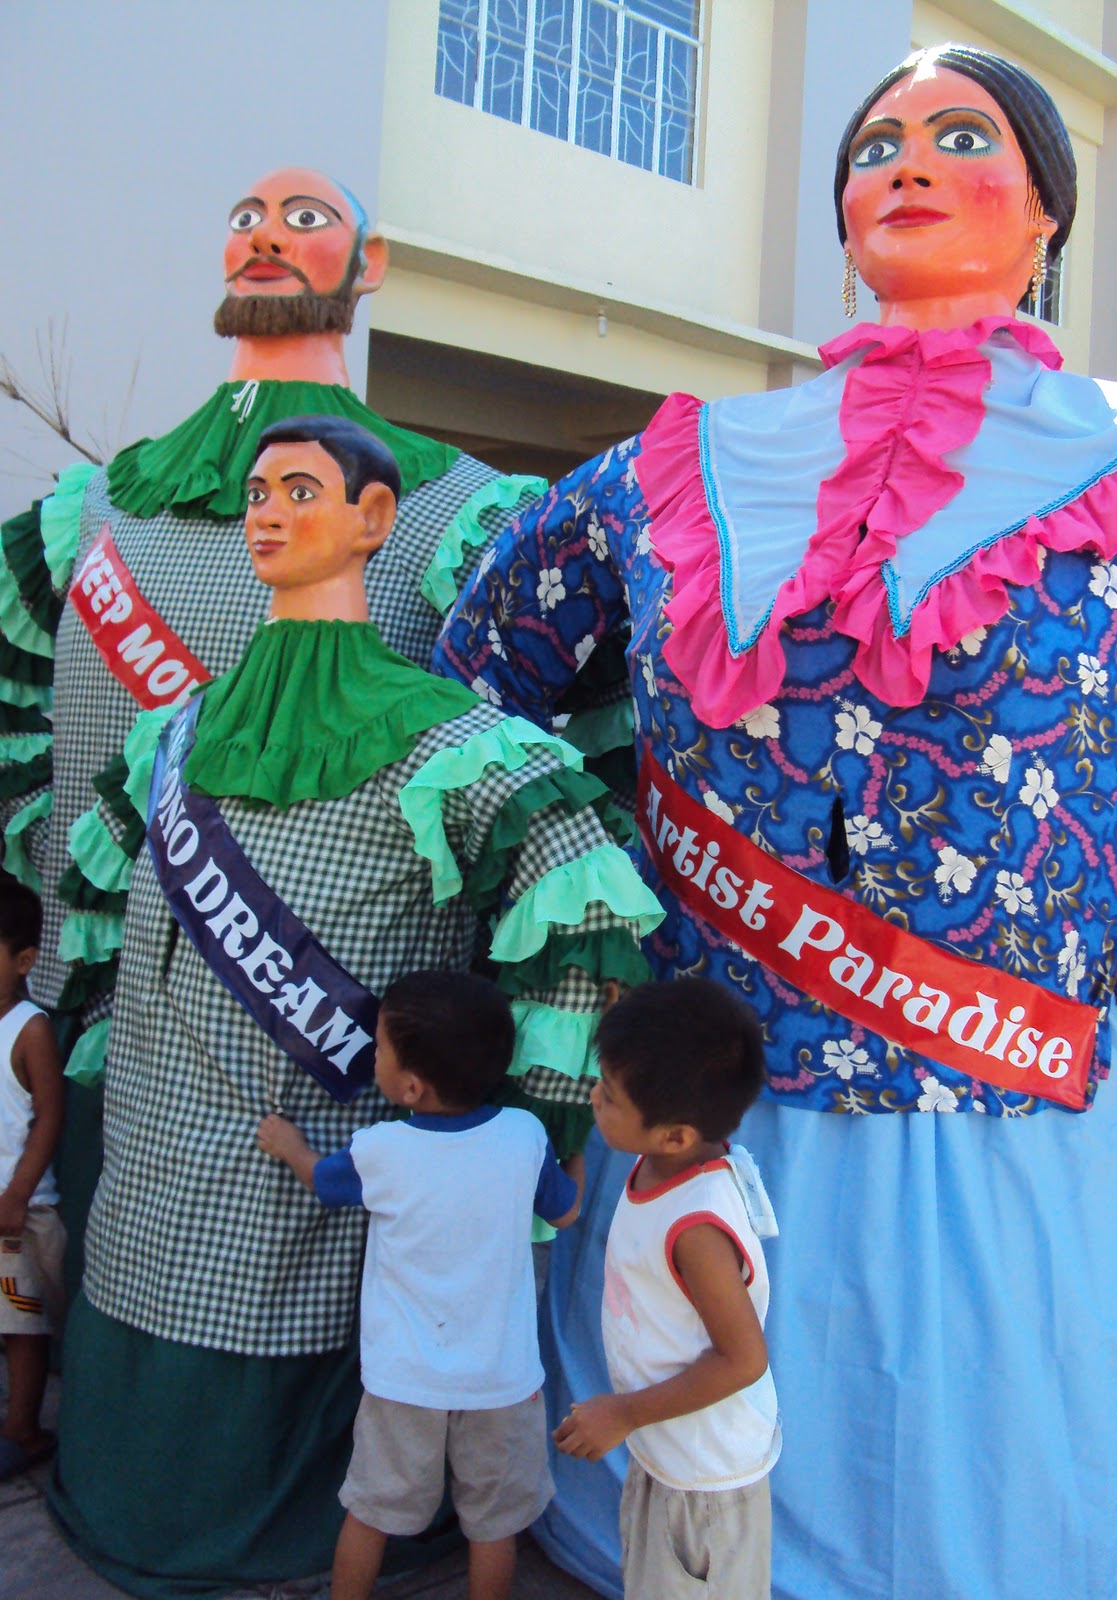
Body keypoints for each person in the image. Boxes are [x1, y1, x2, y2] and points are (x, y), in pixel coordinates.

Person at [435, 43, 1117, 1600]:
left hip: (1007, 1127)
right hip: (709, 1118)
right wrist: (572, 917)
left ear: (1048, 208)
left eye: (963, 137)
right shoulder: (671, 466)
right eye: (876, 146)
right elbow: (471, 693)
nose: (908, 166)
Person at [49, 415, 661, 1596]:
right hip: (155, 1180)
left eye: (301, 490)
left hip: (352, 1242)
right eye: (257, 495)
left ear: (374, 522)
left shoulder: (450, 740)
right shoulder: (176, 730)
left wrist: (539, 1126)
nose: (268, 513)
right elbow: (101, 911)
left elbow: (582, 915)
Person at [0, 163, 549, 1163]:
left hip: (321, 1056)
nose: (266, 237)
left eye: (304, 218)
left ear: (367, 263)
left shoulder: (458, 514)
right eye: (245, 218)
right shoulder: (90, 512)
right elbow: (26, 729)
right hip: (96, 1034)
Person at [259, 969, 582, 1600]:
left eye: (378, 1048)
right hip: (503, 1383)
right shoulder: (524, 1136)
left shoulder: (381, 1149)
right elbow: (565, 1211)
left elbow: (324, 1183)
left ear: (410, 1084)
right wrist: (577, 1151)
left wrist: (289, 1144)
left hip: (404, 1380)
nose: (372, 1055)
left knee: (372, 1511)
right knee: (493, 1528)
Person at [553, 978, 779, 1600]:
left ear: (676, 1135)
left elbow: (744, 1358)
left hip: (704, 1486)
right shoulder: (662, 1157)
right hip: (665, 1450)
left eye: (611, 1095)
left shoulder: (697, 1230)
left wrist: (622, 1413)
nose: (594, 1096)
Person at [0, 877, 64, 1480]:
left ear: (24, 960)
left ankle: (22, 1426)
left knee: (19, 1321)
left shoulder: (29, 1028)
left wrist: (19, 1192)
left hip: (16, 1211)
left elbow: (50, 1113)